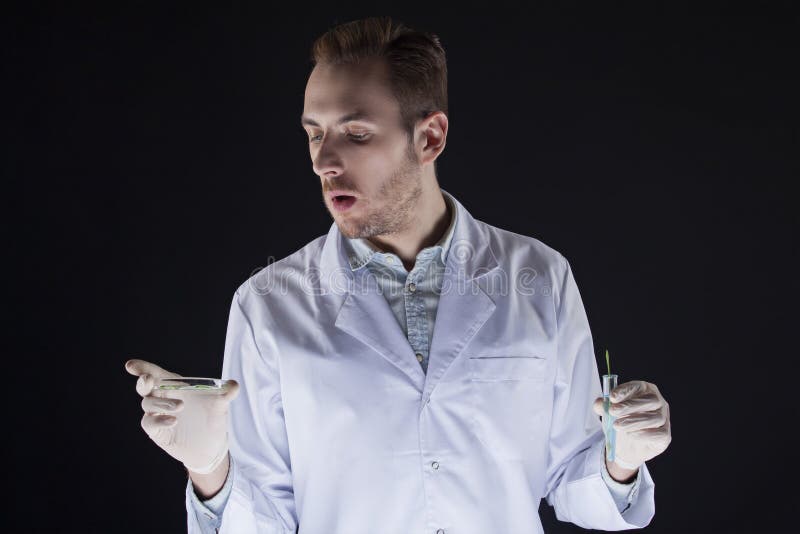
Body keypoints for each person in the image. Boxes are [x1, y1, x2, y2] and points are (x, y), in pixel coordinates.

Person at [125, 16, 671, 534]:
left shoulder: (540, 278)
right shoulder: (268, 304)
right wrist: (210, 471)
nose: (323, 161)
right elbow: (266, 519)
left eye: (355, 134)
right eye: (315, 133)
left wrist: (621, 459)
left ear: (429, 138)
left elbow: (572, 485)